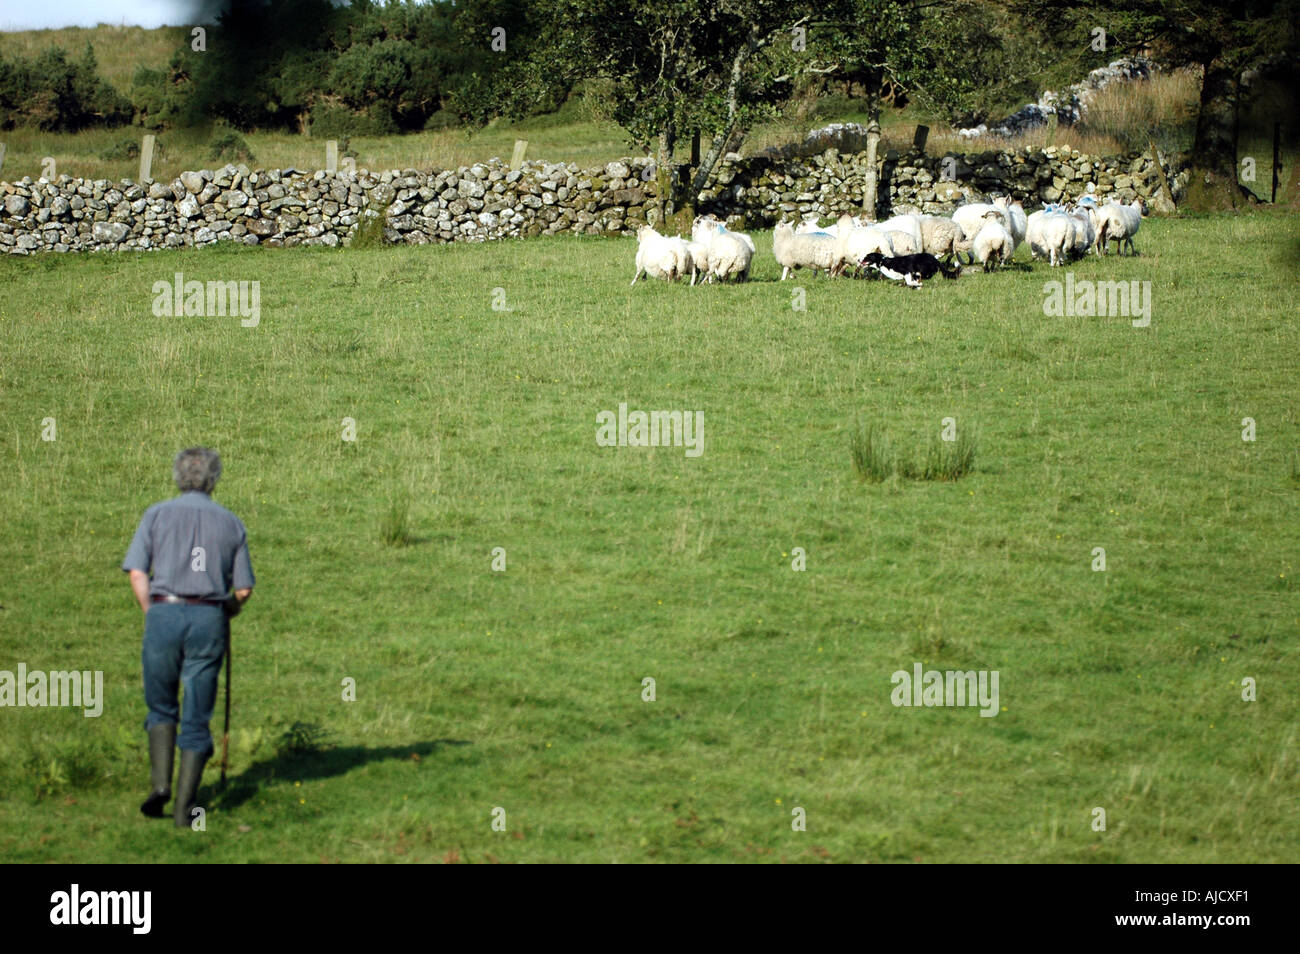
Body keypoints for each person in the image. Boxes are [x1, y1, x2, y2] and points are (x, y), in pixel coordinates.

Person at [122, 447, 254, 828]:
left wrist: (154, 611)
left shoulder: (156, 514)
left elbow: (136, 572)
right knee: (198, 714)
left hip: (163, 613)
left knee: (161, 706)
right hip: (208, 618)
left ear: (178, 477)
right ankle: (186, 811)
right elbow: (243, 589)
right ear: (214, 479)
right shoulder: (231, 523)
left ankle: (160, 786)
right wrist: (228, 609)